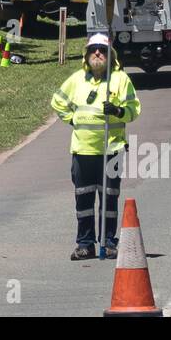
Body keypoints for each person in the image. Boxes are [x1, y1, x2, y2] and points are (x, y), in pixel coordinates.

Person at [50, 33, 141, 260]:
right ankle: (85, 244)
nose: (97, 53)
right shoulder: (77, 79)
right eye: (93, 50)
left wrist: (118, 111)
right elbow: (58, 101)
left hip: (111, 149)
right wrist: (72, 119)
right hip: (83, 151)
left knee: (109, 199)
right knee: (84, 200)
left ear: (110, 55)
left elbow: (134, 109)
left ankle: (109, 243)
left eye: (102, 49)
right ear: (87, 55)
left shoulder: (120, 80)